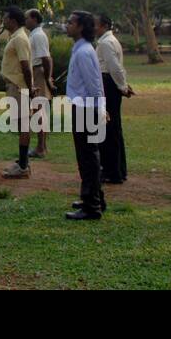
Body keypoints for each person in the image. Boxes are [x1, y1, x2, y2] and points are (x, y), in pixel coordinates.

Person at [63, 11, 106, 221]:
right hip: (82, 106)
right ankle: (94, 197)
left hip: (86, 108)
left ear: (80, 27)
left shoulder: (83, 52)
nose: (67, 25)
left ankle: (92, 206)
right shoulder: (80, 49)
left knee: (88, 157)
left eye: (71, 22)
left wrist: (99, 110)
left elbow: (94, 86)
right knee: (88, 156)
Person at [0, 7, 38, 179]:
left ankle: (23, 166)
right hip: (15, 86)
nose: (3, 21)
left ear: (13, 21)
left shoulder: (20, 39)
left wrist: (29, 88)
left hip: (19, 86)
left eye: (5, 18)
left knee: (23, 125)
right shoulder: (16, 37)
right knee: (20, 124)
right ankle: (22, 162)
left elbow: (25, 66)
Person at [96, 14, 134, 184]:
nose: (93, 27)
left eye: (95, 24)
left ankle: (112, 171)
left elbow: (114, 67)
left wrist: (122, 87)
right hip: (112, 84)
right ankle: (118, 169)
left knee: (109, 129)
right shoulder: (111, 40)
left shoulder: (105, 43)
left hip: (108, 84)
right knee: (114, 129)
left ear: (103, 25)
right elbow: (119, 68)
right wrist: (123, 85)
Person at [26, 9, 53, 158]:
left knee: (38, 111)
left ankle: (41, 148)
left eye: (27, 18)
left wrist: (47, 78)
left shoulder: (38, 36)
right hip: (36, 72)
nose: (25, 20)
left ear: (35, 19)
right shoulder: (34, 35)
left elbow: (46, 58)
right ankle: (41, 146)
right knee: (38, 110)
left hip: (37, 72)